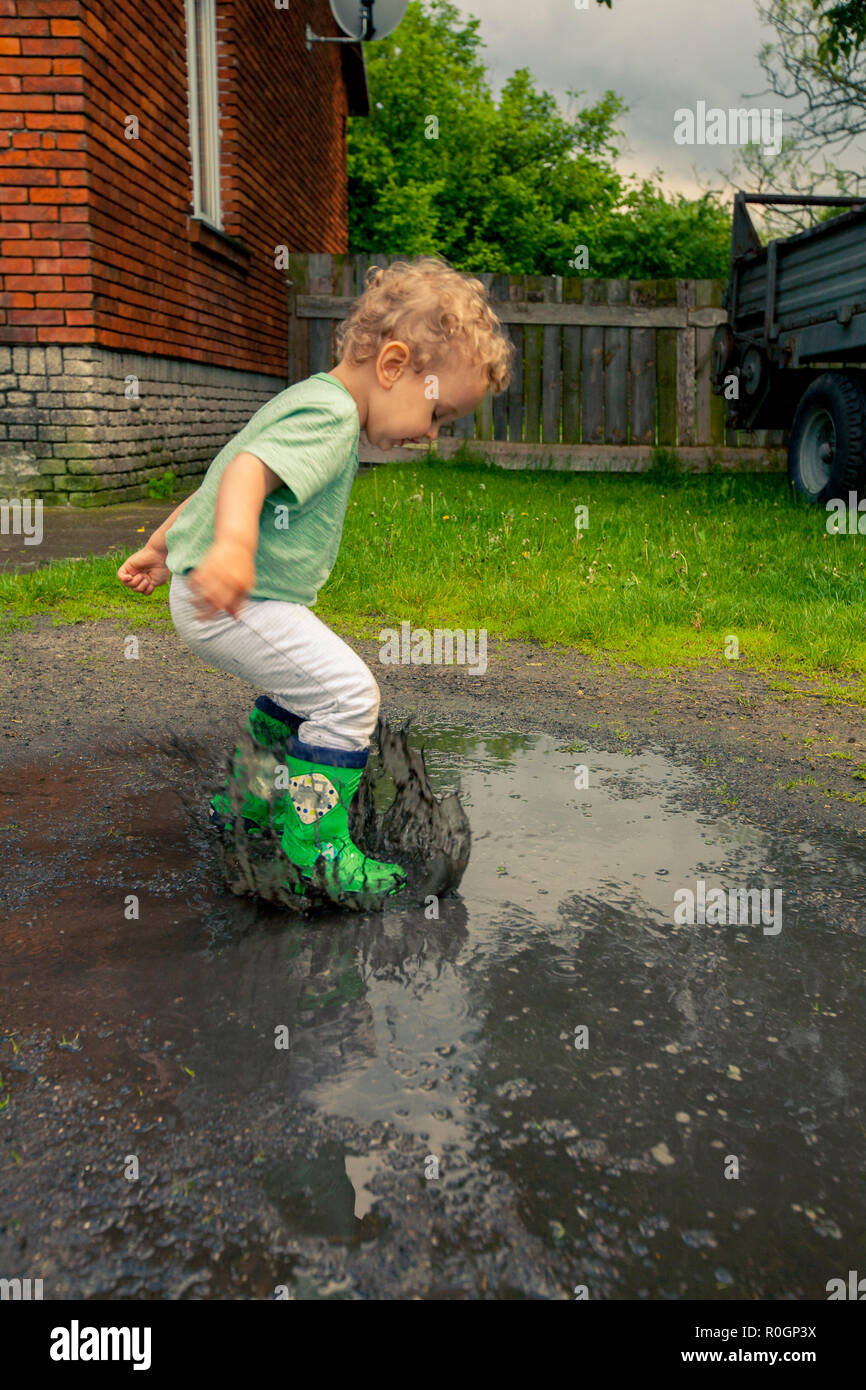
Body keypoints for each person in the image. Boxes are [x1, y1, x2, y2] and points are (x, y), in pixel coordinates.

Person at [117, 256, 513, 904]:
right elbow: (244, 474)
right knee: (350, 695)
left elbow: (222, 473)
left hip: (212, 592)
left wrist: (162, 548)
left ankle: (246, 800)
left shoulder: (308, 403)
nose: (432, 435)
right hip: (234, 597)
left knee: (304, 689)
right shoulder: (328, 418)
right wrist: (236, 548)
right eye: (439, 415)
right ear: (392, 367)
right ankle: (316, 852)